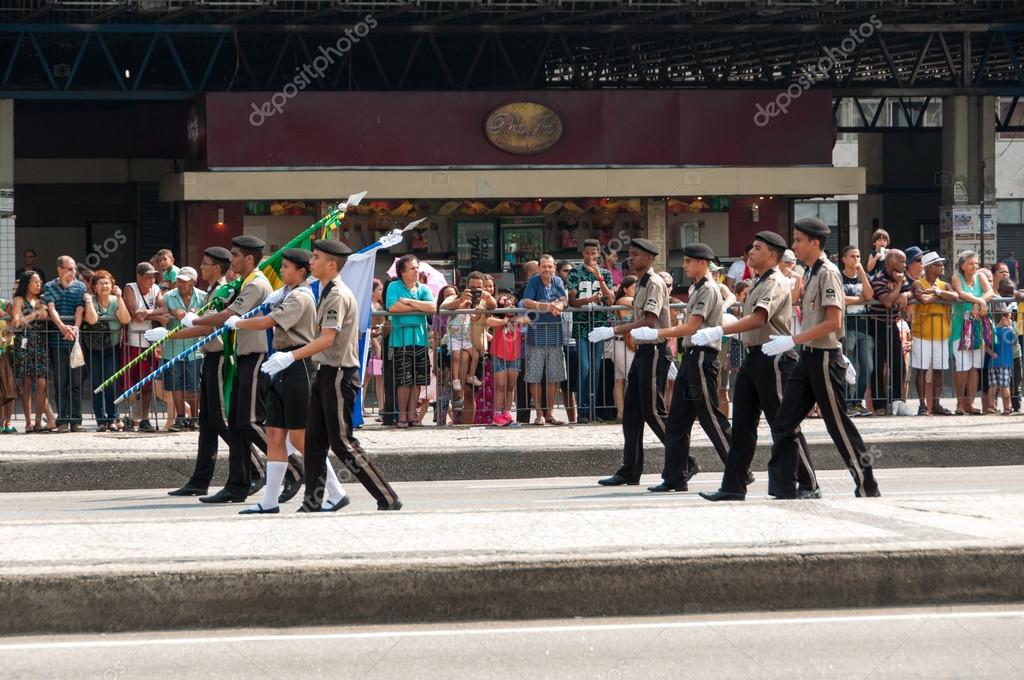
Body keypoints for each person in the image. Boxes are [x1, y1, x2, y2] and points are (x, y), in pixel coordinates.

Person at [262, 239, 402, 513]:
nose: (310, 262)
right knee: (314, 441)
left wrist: (290, 356)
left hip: (339, 373)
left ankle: (386, 496)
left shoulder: (337, 294)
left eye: (315, 258)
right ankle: (313, 501)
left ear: (331, 264)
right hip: (324, 372)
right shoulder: (324, 291)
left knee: (342, 442)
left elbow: (327, 339)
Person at [759, 218, 880, 498]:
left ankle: (867, 485)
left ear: (815, 242)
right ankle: (799, 485)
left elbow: (834, 322)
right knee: (783, 422)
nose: (794, 245)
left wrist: (792, 340)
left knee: (838, 425)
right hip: (808, 358)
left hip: (825, 358)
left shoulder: (828, 272)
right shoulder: (811, 272)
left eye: (799, 240)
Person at [697, 231, 822, 502]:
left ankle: (808, 482)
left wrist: (718, 330)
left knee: (783, 424)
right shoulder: (756, 281)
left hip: (773, 358)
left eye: (757, 248)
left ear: (773, 255)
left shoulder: (775, 282)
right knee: (742, 424)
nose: (750, 253)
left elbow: (758, 319)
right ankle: (733, 486)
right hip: (754, 357)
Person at [632, 244, 732, 493]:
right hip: (690, 359)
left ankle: (738, 467)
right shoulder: (695, 287)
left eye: (688, 261)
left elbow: (691, 327)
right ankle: (675, 476)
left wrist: (657, 332)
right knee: (677, 421)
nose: (684, 265)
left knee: (710, 417)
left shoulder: (708, 289)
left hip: (702, 360)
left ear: (702, 263)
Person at [232, 248, 319, 514]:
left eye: (286, 268)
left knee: (302, 438)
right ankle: (270, 501)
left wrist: (238, 324)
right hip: (280, 362)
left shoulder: (300, 297)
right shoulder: (286, 294)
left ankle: (334, 490)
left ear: (301, 271)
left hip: (296, 362)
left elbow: (270, 321)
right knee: (274, 434)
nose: (281, 271)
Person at [159, 246, 250, 497]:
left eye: (205, 264)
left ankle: (254, 466)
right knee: (208, 424)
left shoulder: (223, 291)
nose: (201, 268)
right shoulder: (212, 291)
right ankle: (200, 480)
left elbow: (204, 328)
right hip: (208, 356)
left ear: (217, 268)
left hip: (220, 356)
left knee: (219, 420)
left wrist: (169, 336)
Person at [191, 235, 275, 504]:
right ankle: (236, 485)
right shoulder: (245, 283)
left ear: (249, 258)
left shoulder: (256, 285)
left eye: (235, 255)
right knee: (237, 425)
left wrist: (194, 319)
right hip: (240, 356)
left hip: (254, 355)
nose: (232, 260)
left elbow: (229, 316)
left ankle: (294, 466)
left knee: (246, 422)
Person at [589, 238, 672, 486]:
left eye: (636, 255)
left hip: (655, 350)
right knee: (632, 414)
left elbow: (649, 320)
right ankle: (630, 470)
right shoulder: (641, 283)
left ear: (649, 258)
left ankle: (684, 460)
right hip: (643, 352)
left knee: (653, 412)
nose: (631, 258)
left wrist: (613, 330)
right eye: (631, 254)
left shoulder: (654, 283)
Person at [567, 240, 615, 423]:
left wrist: (599, 279)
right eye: (587, 253)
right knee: (585, 368)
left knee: (595, 369)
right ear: (583, 254)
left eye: (594, 253)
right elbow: (572, 301)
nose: (590, 256)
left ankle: (593, 410)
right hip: (582, 326)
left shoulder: (605, 273)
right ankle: (583, 410)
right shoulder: (575, 272)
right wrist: (589, 300)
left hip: (600, 326)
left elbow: (610, 300)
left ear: (598, 254)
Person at [385, 255, 436, 428]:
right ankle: (402, 416)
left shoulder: (423, 288)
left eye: (417, 267)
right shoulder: (393, 286)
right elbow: (392, 307)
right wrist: (419, 306)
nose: (417, 271)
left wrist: (408, 302)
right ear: (402, 272)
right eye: (413, 268)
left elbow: (432, 307)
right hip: (401, 340)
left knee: (417, 380)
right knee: (404, 380)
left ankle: (413, 415)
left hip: (420, 340)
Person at [154, 266, 206, 432]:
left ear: (193, 282)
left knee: (194, 385)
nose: (181, 284)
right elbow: (160, 315)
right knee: (176, 385)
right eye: (179, 281)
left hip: (195, 347)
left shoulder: (203, 297)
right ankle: (181, 418)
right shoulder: (168, 296)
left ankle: (195, 417)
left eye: (185, 282)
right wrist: (171, 313)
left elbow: (208, 318)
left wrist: (197, 315)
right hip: (173, 348)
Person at [519, 255, 569, 426]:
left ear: (554, 267)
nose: (547, 269)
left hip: (555, 335)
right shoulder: (534, 281)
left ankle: (550, 414)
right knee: (534, 376)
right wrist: (548, 306)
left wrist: (560, 305)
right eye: (544, 266)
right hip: (536, 334)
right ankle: (539, 413)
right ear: (539, 267)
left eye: (550, 266)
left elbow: (564, 299)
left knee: (554, 377)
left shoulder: (558, 281)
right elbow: (526, 302)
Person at [42, 256, 87, 433]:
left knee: (76, 382)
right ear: (60, 269)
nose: (73, 272)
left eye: (74, 269)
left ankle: (76, 420)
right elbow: (51, 309)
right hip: (57, 341)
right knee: (61, 382)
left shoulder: (80, 286)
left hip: (75, 342)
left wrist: (75, 328)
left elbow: (80, 308)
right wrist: (62, 327)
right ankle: (63, 419)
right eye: (69, 269)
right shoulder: (49, 286)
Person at [82, 270, 131, 431]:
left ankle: (112, 417)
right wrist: (89, 301)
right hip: (93, 349)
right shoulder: (91, 300)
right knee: (97, 383)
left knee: (111, 382)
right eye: (100, 283)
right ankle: (100, 420)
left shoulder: (115, 300)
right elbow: (92, 319)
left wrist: (119, 297)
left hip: (112, 348)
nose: (104, 286)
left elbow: (125, 319)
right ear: (94, 287)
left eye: (107, 282)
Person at [910, 251, 957, 416]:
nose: (942, 266)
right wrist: (936, 296)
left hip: (941, 334)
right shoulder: (918, 283)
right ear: (929, 267)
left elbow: (955, 296)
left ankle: (936, 404)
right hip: (922, 333)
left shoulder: (943, 285)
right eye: (938, 264)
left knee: (939, 370)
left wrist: (936, 293)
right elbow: (922, 299)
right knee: (921, 370)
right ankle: (922, 404)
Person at [10, 272, 57, 433]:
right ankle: (28, 422)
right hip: (24, 343)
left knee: (43, 383)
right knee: (26, 384)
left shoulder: (43, 300)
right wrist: (35, 314)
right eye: (35, 282)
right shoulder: (19, 300)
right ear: (27, 283)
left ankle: (39, 422)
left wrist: (46, 313)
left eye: (40, 282)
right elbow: (16, 322)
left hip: (40, 343)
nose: (39, 284)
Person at [870, 250, 913, 415]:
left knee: (899, 364)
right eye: (902, 262)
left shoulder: (900, 276)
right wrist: (900, 287)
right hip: (876, 324)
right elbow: (887, 301)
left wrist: (904, 294)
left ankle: (897, 401)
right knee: (879, 365)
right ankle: (879, 404)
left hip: (892, 323)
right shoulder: (878, 278)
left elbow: (912, 291)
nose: (905, 265)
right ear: (891, 262)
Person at [950, 250, 993, 415]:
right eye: (971, 263)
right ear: (962, 266)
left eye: (976, 263)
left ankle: (971, 403)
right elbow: (960, 293)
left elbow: (990, 292)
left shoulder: (980, 276)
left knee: (975, 367)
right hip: (960, 328)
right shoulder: (956, 277)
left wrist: (980, 301)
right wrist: (978, 301)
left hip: (977, 328)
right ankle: (960, 403)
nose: (975, 266)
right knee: (962, 367)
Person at [122, 261, 162, 432]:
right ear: (139, 277)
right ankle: (131, 415)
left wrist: (150, 313)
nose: (151, 280)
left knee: (147, 383)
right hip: (132, 341)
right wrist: (157, 315)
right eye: (148, 277)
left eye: (153, 276)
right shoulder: (130, 288)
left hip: (150, 343)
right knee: (130, 382)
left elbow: (164, 308)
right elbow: (134, 314)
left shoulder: (156, 289)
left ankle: (144, 417)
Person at [840, 246, 874, 416]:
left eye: (858, 256)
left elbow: (869, 295)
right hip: (847, 328)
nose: (856, 259)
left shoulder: (862, 276)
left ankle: (857, 401)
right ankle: (847, 402)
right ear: (844, 259)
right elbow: (842, 299)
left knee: (868, 367)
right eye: (852, 256)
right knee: (850, 367)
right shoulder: (838, 276)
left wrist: (862, 273)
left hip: (864, 327)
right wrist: (860, 299)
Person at [485, 293, 529, 426]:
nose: (510, 307)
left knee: (511, 386)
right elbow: (488, 321)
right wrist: (504, 320)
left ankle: (507, 412)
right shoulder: (498, 320)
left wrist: (514, 317)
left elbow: (527, 319)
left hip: (514, 356)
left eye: (512, 304)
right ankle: (497, 414)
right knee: (500, 385)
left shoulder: (518, 320)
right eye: (507, 304)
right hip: (499, 355)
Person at [611, 276, 637, 421]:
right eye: (634, 288)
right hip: (622, 342)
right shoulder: (623, 300)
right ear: (626, 289)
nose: (636, 291)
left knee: (620, 379)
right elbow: (637, 303)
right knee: (628, 377)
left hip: (625, 342)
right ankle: (626, 411)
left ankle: (622, 412)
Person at [363, 278, 385, 418]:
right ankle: (360, 406)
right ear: (372, 292)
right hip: (372, 344)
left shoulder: (379, 305)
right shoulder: (368, 306)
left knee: (379, 377)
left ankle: (382, 407)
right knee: (366, 377)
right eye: (379, 289)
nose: (381, 292)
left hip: (379, 342)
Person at [987, 305, 1015, 415]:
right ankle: (1007, 407)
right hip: (1005, 363)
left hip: (993, 362)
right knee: (1005, 385)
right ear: (1004, 319)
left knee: (993, 385)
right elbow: (1014, 342)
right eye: (1009, 318)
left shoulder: (992, 331)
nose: (1010, 320)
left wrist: (991, 354)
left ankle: (990, 406)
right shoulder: (1007, 332)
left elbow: (986, 346)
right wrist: (1011, 328)